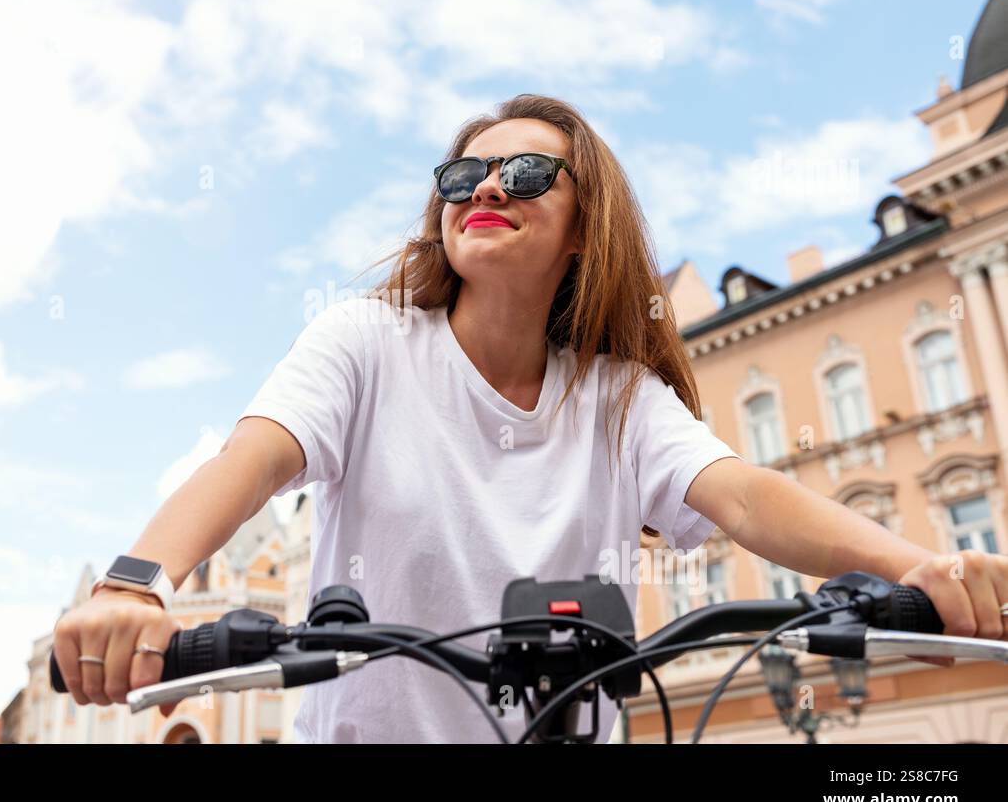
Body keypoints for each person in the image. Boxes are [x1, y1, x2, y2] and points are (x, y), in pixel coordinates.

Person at [53, 93, 1008, 743]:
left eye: (522, 171)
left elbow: (747, 496)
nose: (486, 189)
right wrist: (137, 583)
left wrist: (915, 569)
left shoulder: (617, 397)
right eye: (461, 178)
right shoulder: (366, 342)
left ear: (588, 221)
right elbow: (252, 460)